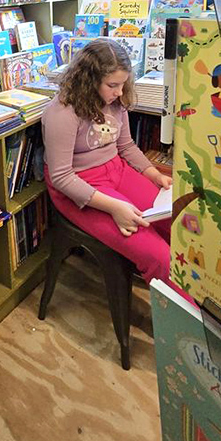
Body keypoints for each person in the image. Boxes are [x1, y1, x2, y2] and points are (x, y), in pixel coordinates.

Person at [41, 39, 172, 285]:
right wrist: (113, 207)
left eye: (123, 84)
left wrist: (154, 175)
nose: (120, 92)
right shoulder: (62, 113)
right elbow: (61, 177)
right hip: (79, 185)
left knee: (174, 223)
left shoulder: (115, 102)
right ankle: (182, 317)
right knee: (158, 255)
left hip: (115, 170)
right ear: (88, 81)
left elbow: (126, 147)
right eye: (113, 85)